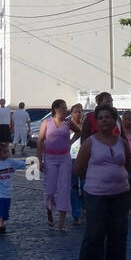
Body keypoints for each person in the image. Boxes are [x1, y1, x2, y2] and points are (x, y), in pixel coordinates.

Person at [72, 105, 131, 260]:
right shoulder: (90, 142)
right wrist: (95, 180)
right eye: (100, 118)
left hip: (120, 194)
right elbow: (79, 169)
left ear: (115, 121)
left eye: (107, 117)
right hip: (96, 195)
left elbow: (128, 165)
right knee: (94, 233)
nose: (104, 120)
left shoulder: (122, 142)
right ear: (96, 122)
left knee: (117, 233)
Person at [38, 99, 73, 233]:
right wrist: (39, 159)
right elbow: (40, 141)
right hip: (50, 158)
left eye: (66, 108)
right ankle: (49, 212)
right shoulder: (47, 123)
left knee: (64, 188)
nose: (65, 111)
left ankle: (62, 223)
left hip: (64, 158)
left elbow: (80, 131)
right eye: (63, 108)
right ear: (55, 109)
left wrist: (70, 142)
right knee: (51, 189)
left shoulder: (68, 123)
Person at [68, 103, 86, 225]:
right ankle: (76, 213)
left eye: (80, 111)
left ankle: (84, 207)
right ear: (71, 113)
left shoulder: (86, 126)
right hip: (71, 159)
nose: (78, 114)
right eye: (76, 111)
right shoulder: (67, 126)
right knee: (73, 188)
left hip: (85, 160)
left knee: (86, 187)